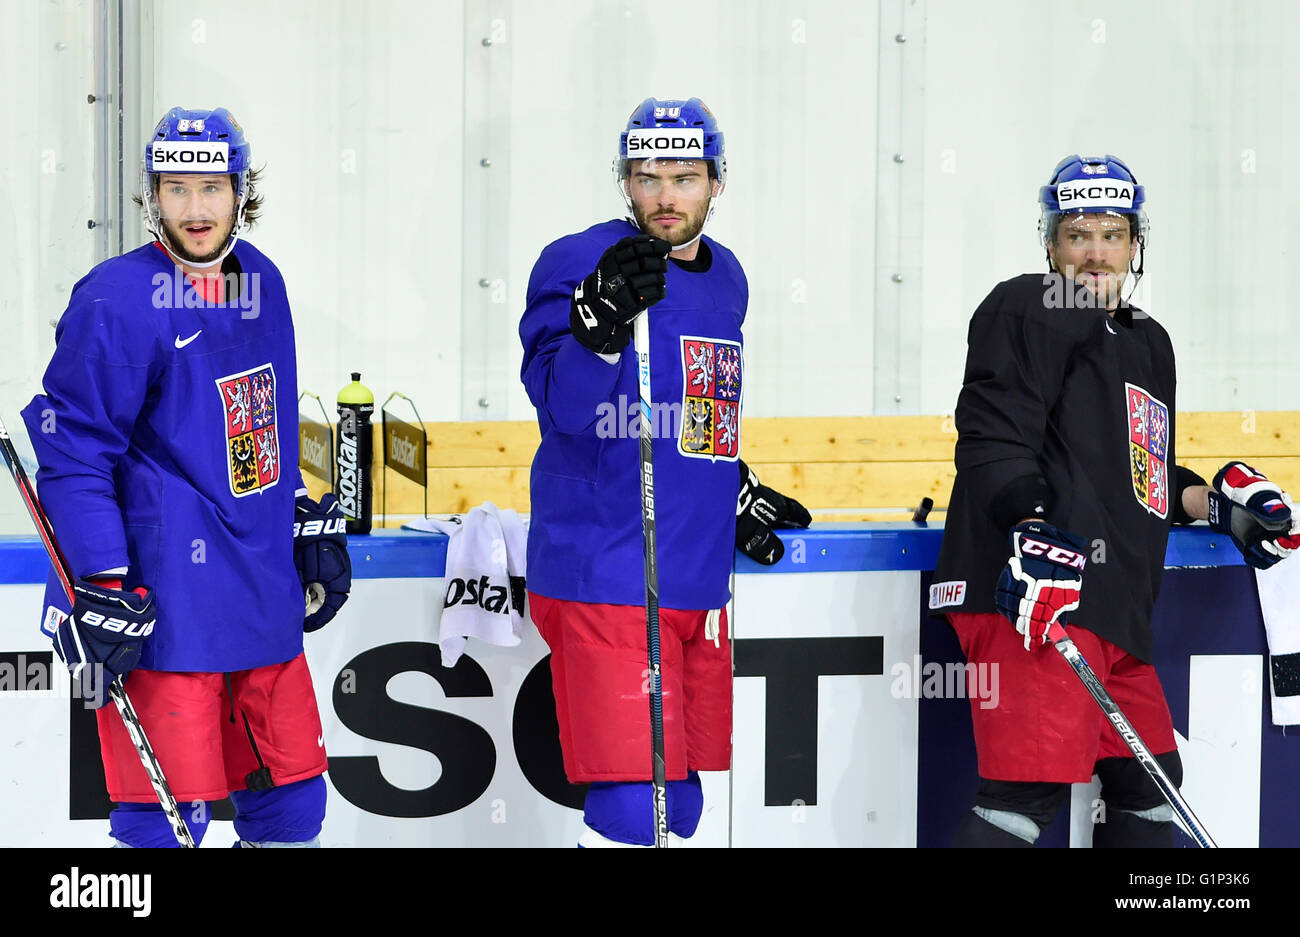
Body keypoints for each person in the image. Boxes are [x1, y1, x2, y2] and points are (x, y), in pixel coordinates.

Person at [930, 153, 1300, 848]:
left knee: (1150, 784)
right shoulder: (1028, 303)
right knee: (1021, 798)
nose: (1096, 252)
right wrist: (1031, 527)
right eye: (1077, 234)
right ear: (1050, 245)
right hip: (1038, 599)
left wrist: (1218, 507)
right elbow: (988, 433)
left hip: (1112, 610)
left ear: (1136, 243)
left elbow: (1143, 472)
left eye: (1111, 233)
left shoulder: (1147, 343)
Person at [22, 107, 351, 848]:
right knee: (165, 825)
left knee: (293, 810)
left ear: (241, 190)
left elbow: (259, 421)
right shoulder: (116, 298)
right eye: (175, 188)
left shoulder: (262, 281)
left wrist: (297, 512)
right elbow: (73, 455)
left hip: (260, 595)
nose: (195, 210)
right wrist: (104, 579)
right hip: (163, 602)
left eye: (211, 187)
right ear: (152, 195)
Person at [518, 97, 809, 847]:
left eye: (684, 177)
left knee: (678, 809)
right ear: (624, 181)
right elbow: (563, 408)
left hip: (694, 580)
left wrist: (727, 484)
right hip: (609, 570)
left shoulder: (727, 278)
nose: (666, 196)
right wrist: (598, 329)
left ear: (717, 181)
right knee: (629, 808)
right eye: (646, 177)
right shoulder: (578, 259)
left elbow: (700, 404)